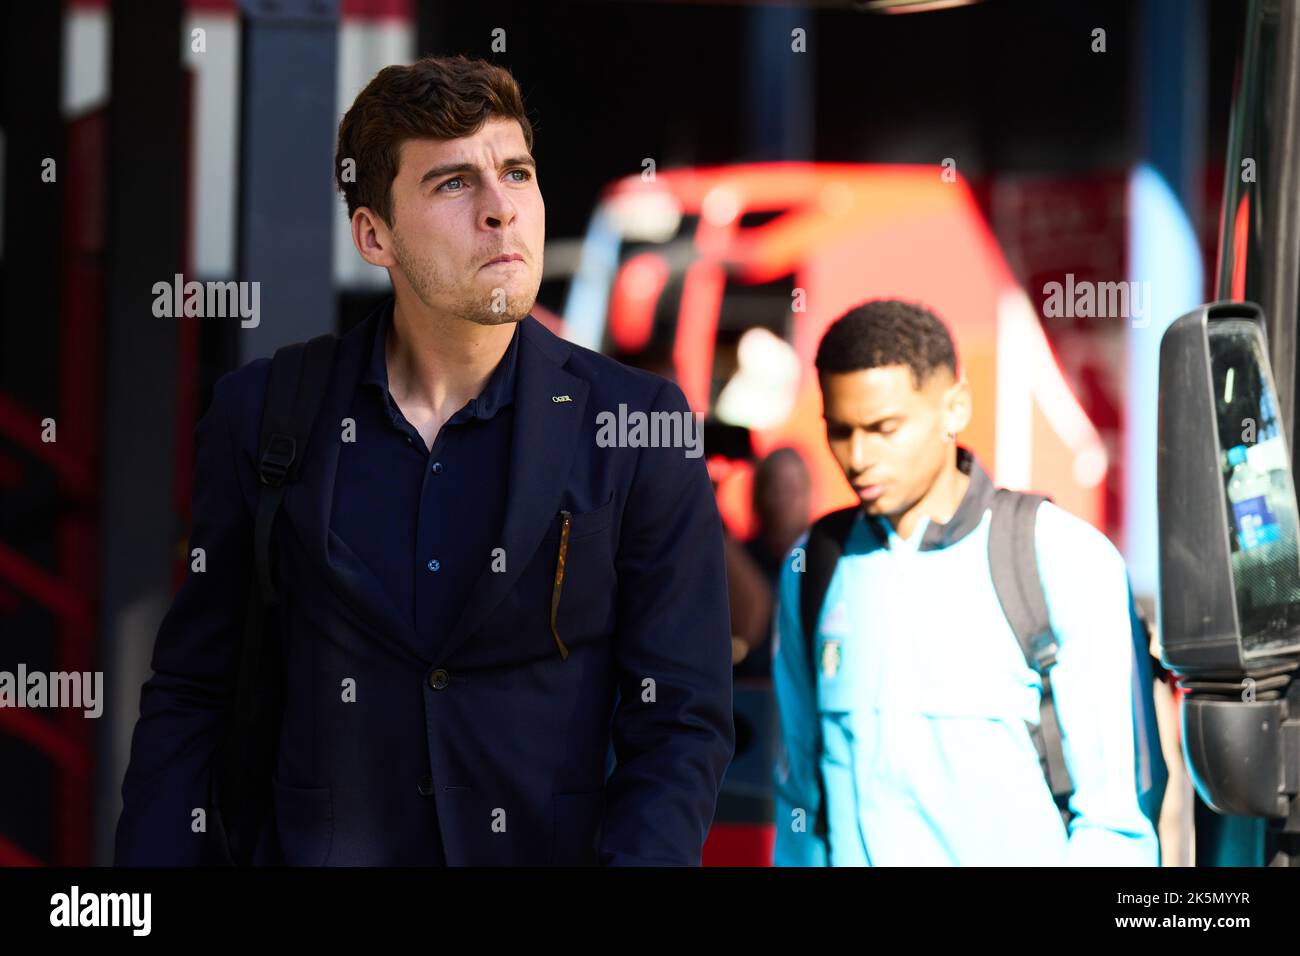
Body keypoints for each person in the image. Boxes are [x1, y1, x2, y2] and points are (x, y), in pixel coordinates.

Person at [115, 54, 734, 866]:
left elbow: (680, 722)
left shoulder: (638, 426)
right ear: (376, 235)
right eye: (452, 184)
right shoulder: (265, 412)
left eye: (516, 172)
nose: (500, 210)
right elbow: (194, 693)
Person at [772, 299, 1159, 865]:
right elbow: (798, 800)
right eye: (841, 431)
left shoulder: (1062, 558)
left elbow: (1117, 825)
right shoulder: (813, 567)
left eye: (884, 428)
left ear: (954, 407)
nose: (858, 456)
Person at [734, 448, 811, 678]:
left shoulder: (823, 559)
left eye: (794, 489)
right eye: (776, 489)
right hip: (747, 688)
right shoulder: (738, 561)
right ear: (757, 496)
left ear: (809, 494)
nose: (786, 499)